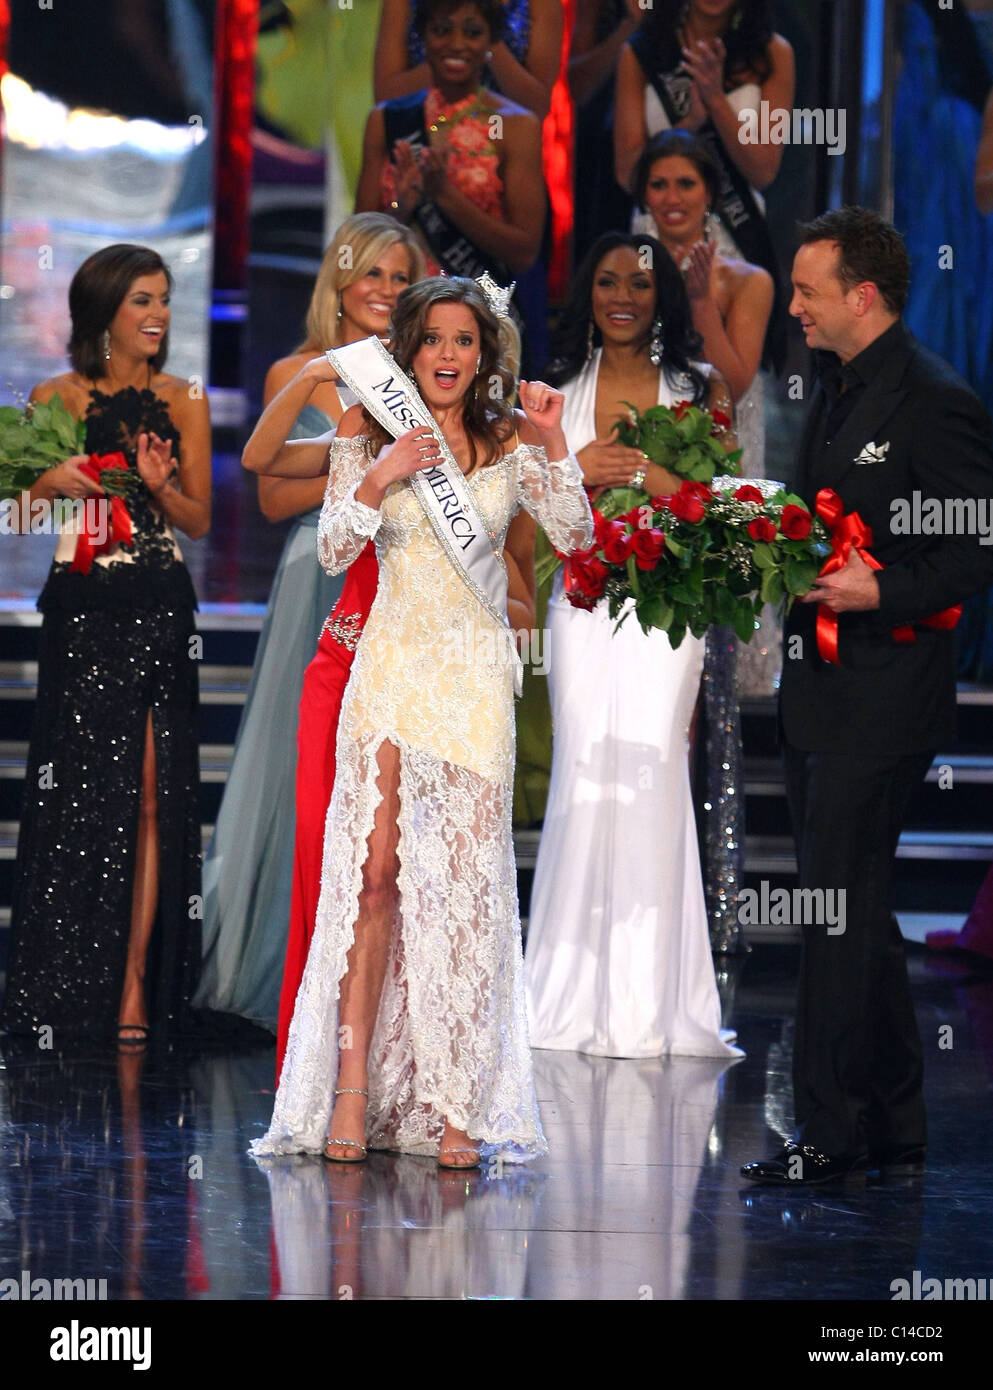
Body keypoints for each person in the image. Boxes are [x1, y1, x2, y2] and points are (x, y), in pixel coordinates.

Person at [250, 276, 591, 1166]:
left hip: (475, 679)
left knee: (464, 895)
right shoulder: (368, 434)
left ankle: (456, 1103)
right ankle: (353, 1094)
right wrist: (380, 476)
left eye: (464, 341)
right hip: (391, 670)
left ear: (484, 355)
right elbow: (330, 549)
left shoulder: (511, 441)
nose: (447, 355)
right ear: (407, 352)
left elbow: (578, 535)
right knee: (372, 878)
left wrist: (555, 441)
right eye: (432, 339)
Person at [742, 207, 993, 1185]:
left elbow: (976, 543)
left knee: (834, 908)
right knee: (859, 904)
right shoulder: (840, 386)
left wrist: (880, 589)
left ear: (863, 294)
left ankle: (829, 1136)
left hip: (886, 694)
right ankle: (891, 1118)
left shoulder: (936, 400)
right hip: (821, 690)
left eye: (806, 291)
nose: (793, 308)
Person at [195, 214, 425, 1031]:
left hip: (393, 580)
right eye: (372, 274)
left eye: (401, 279)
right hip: (314, 578)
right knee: (308, 773)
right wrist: (357, 463)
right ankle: (286, 970)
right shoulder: (300, 372)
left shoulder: (424, 373)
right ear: (340, 279)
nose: (386, 291)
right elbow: (269, 497)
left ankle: (370, 985)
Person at [523, 232, 741, 1059]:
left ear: (662, 299)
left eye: (640, 285)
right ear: (588, 291)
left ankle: (655, 1001)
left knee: (650, 769)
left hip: (665, 612)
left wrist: (654, 481)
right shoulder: (555, 392)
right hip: (579, 603)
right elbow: (523, 508)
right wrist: (573, 467)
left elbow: (727, 507)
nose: (623, 295)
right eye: (608, 281)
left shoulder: (698, 387)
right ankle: (565, 991)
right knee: (582, 772)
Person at [1, 244, 211, 1046]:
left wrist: (159, 486)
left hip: (158, 601)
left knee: (153, 794)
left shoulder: (182, 398)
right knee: (81, 794)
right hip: (85, 605)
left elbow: (199, 521)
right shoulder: (54, 398)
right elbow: (16, 516)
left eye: (163, 299)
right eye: (141, 302)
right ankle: (71, 978)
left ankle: (132, 986)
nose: (157, 315)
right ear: (103, 312)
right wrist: (46, 486)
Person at [614, 0, 793, 368]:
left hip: (736, 231)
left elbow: (764, 169)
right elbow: (627, 171)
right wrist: (691, 121)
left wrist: (715, 99)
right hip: (658, 226)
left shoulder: (774, 53)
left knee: (724, 368)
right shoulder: (643, 51)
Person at [355, 0, 545, 290]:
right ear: (424, 35)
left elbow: (524, 253)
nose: (457, 44)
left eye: (472, 33)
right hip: (400, 306)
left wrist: (444, 195)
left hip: (479, 313)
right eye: (442, 31)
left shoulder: (517, 126)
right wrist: (401, 207)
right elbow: (359, 244)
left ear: (491, 40)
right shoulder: (386, 119)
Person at [373, 0, 563, 119]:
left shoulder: (541, 4)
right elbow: (386, 96)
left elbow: (537, 105)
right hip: (423, 147)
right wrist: (448, 54)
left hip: (503, 152)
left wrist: (485, 35)